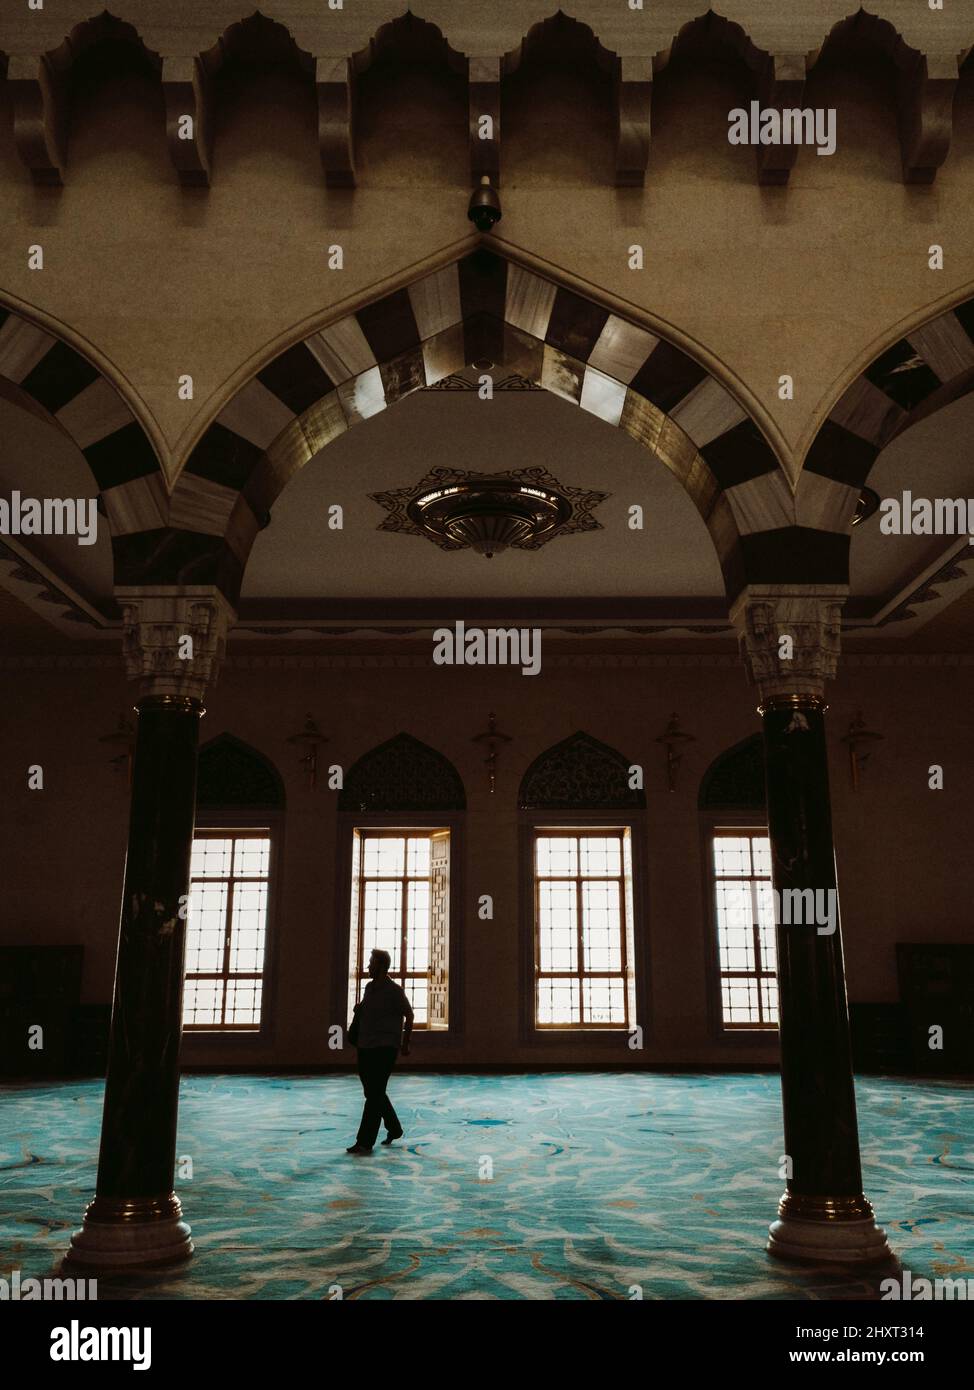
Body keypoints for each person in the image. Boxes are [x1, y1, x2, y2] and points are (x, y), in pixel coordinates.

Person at [346, 948, 413, 1155]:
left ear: (381, 966)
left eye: (371, 963)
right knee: (373, 1092)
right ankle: (395, 1128)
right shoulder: (368, 988)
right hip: (365, 1046)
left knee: (373, 1095)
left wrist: (405, 1043)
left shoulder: (394, 991)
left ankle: (365, 1142)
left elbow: (409, 1015)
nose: (368, 966)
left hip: (385, 1048)